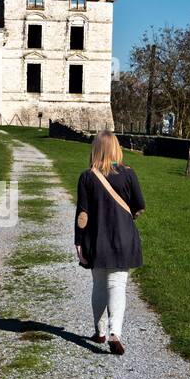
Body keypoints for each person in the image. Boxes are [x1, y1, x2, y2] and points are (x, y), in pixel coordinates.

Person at [74, 131, 145, 355]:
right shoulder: (129, 174)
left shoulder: (87, 177)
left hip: (96, 238)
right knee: (118, 285)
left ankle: (100, 331)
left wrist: (78, 242)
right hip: (122, 238)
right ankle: (116, 332)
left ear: (96, 149)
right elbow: (139, 206)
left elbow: (82, 215)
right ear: (116, 148)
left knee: (99, 284)